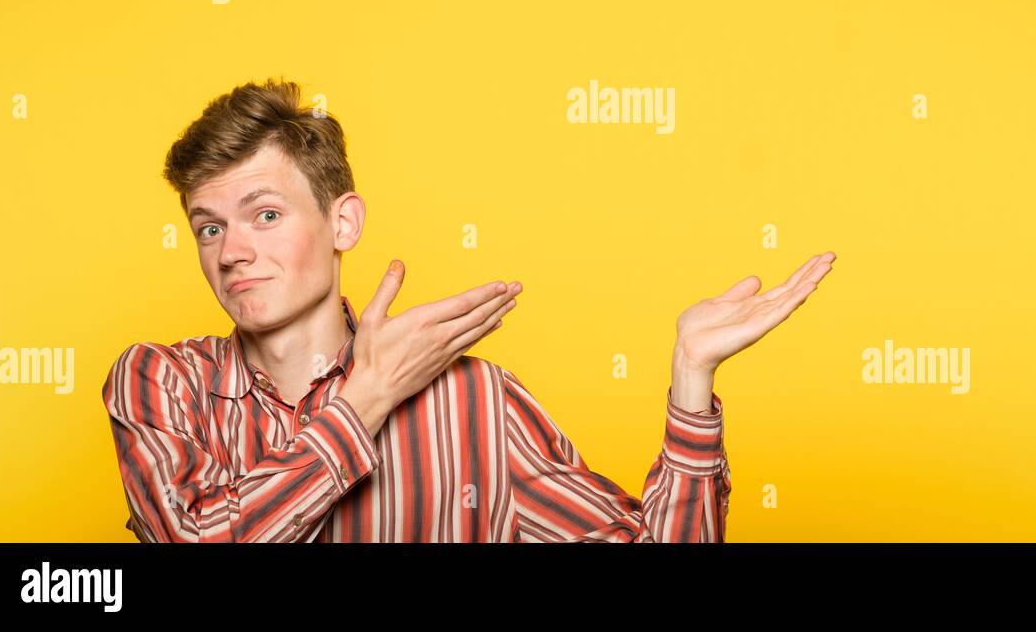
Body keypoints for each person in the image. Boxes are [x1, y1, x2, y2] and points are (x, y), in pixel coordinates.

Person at [101, 78, 835, 542]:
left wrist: (690, 382)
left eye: (264, 215)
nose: (230, 251)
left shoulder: (474, 403)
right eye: (209, 226)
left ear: (344, 224)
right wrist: (365, 402)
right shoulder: (161, 383)